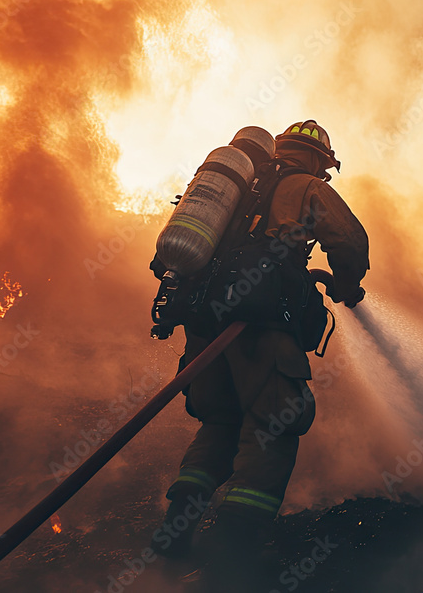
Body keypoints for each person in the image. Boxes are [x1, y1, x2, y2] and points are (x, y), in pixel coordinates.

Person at [151, 120, 369, 585]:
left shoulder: (238, 191)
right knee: (272, 428)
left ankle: (175, 531)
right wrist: (348, 284)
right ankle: (233, 559)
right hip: (260, 330)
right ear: (318, 160)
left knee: (221, 423)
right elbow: (348, 240)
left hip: (205, 329)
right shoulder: (304, 185)